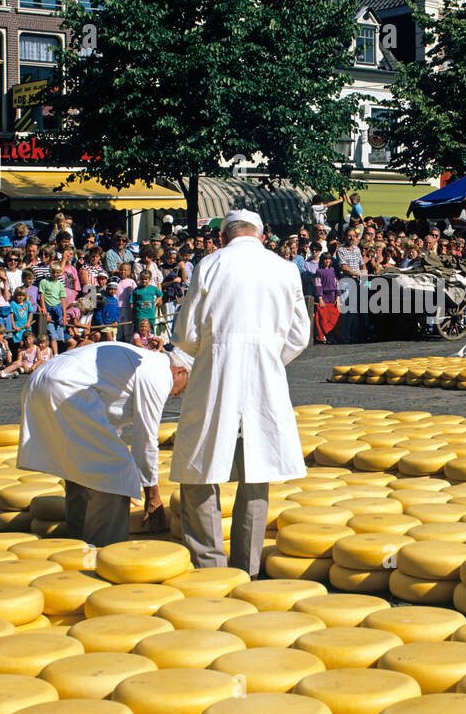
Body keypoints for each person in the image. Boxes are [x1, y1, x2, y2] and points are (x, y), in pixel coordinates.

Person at [169, 209, 310, 578]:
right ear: (261, 235)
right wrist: (267, 357)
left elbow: (186, 331)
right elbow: (299, 336)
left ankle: (209, 564)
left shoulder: (209, 265)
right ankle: (247, 567)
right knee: (255, 472)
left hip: (216, 374)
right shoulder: (285, 268)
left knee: (199, 468)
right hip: (265, 376)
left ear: (223, 236)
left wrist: (213, 349)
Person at [19, 339, 185, 547]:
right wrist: (152, 494)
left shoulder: (144, 362)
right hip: (66, 387)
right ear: (180, 371)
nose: (177, 394)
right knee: (117, 471)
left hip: (43, 380)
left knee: (81, 467)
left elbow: (108, 421)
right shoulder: (159, 374)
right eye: (183, 388)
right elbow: (145, 438)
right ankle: (103, 551)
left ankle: (75, 545)